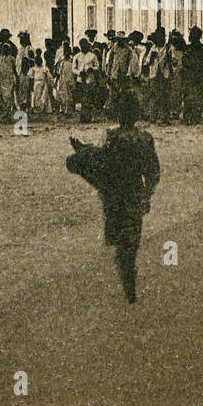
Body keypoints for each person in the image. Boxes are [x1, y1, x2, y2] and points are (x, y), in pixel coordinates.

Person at [66, 90, 160, 304]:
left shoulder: (111, 136)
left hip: (114, 195)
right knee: (130, 245)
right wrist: (147, 195)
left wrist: (83, 152)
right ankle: (130, 288)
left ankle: (128, 284)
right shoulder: (145, 138)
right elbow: (154, 172)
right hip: (135, 193)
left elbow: (101, 159)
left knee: (121, 244)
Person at [0, 29, 18, 117]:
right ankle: (2, 107)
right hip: (2, 73)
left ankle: (10, 107)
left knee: (9, 91)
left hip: (9, 74)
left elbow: (15, 63)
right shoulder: (0, 48)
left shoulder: (12, 47)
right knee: (1, 90)